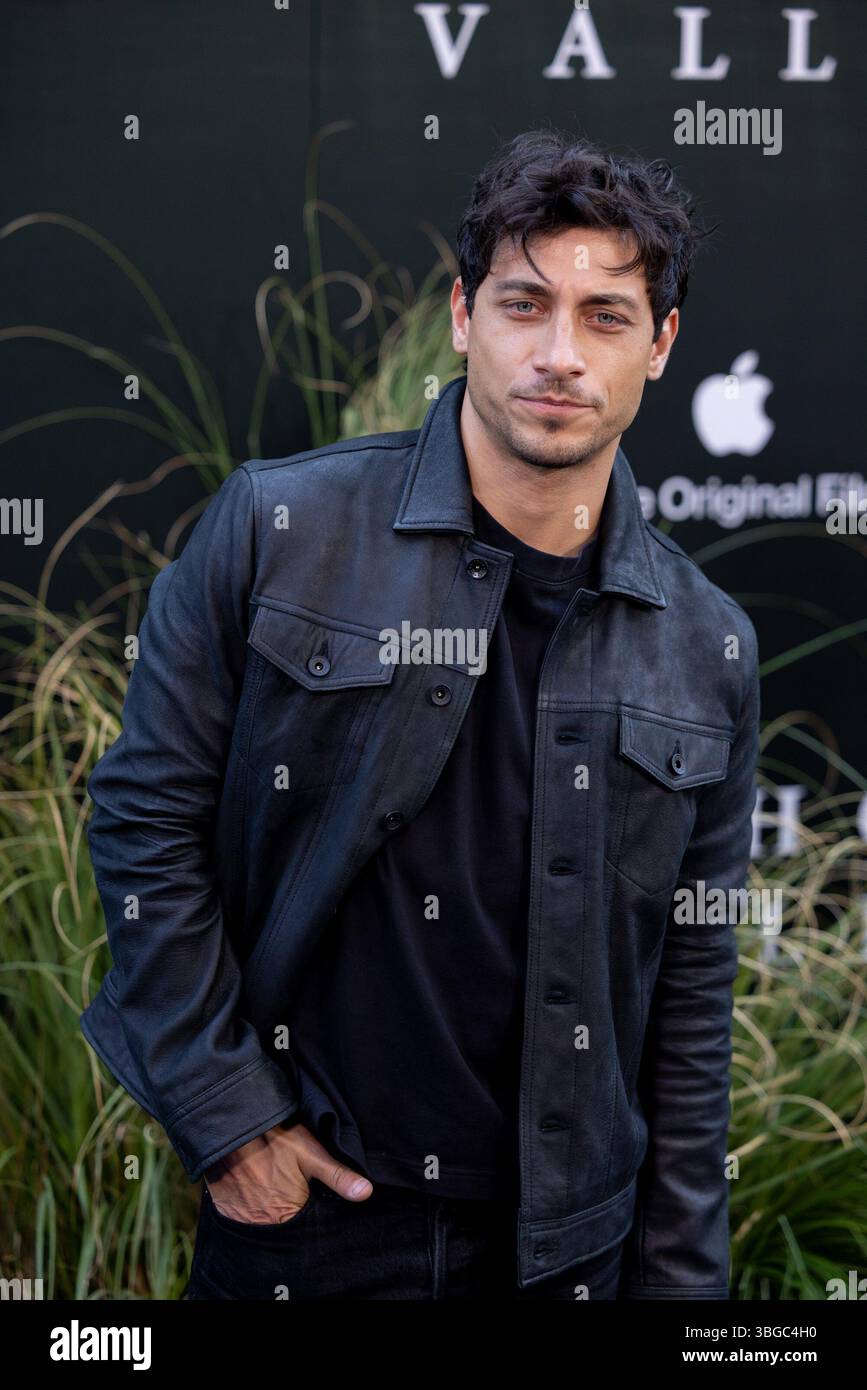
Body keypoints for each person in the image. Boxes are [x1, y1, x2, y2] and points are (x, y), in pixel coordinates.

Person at [80, 128, 760, 1300]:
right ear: (461, 315)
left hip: (567, 1255)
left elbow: (689, 1005)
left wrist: (684, 1290)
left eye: (605, 317)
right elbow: (144, 822)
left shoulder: (706, 644)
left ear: (661, 345)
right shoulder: (278, 530)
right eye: (523, 304)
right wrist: (228, 1120)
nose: (558, 354)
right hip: (312, 1227)